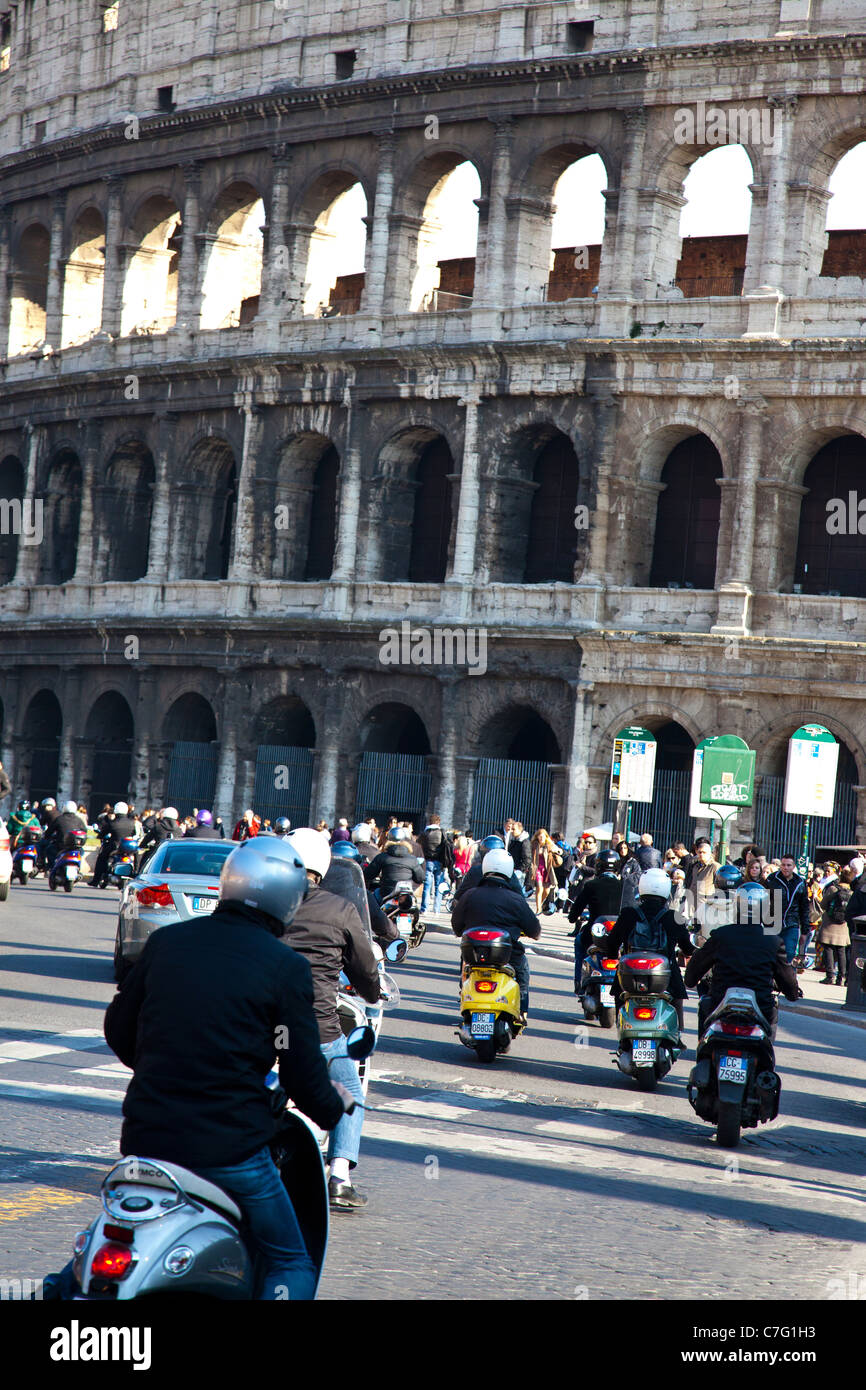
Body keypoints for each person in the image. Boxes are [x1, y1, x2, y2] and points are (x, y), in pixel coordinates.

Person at [98, 834, 350, 1300]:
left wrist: (162, 1065)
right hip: (228, 1147)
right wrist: (336, 1111)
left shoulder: (168, 942)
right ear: (288, 898)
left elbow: (118, 1028)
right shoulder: (284, 967)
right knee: (290, 1257)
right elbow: (298, 1065)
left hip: (145, 1139)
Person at [283, 828, 381, 1211]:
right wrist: (373, 993)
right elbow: (364, 967)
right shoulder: (341, 909)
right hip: (318, 1027)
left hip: (267, 1027)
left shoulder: (267, 903)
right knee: (350, 1094)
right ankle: (339, 1176)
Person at [685, 874, 801, 1040]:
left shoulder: (721, 935)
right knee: (773, 1011)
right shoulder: (773, 942)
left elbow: (695, 967)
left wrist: (690, 980)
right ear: (764, 909)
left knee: (705, 1004)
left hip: (721, 1002)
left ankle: (703, 1046)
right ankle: (766, 1051)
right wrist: (792, 992)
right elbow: (786, 977)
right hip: (759, 1005)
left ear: (737, 905)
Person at [605, 867, 695, 1035]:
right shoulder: (673, 918)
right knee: (676, 997)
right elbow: (688, 948)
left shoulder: (628, 914)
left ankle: (622, 1031)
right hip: (665, 977)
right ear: (666, 888)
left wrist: (613, 955)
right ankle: (677, 1034)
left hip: (631, 975)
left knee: (619, 993)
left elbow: (611, 943)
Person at [451, 848, 541, 1016]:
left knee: (465, 968)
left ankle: (465, 1000)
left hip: (474, 953)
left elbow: (456, 925)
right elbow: (535, 930)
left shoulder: (469, 895)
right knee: (522, 969)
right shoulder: (516, 899)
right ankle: (521, 1010)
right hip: (507, 954)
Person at [568, 848, 623, 994]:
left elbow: (576, 908)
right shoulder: (624, 886)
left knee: (579, 943)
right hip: (620, 934)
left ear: (598, 866)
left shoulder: (591, 885)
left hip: (595, 932)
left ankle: (579, 983)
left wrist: (573, 917)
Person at [765, 854, 810, 964]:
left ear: (794, 866)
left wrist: (805, 930)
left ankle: (788, 979)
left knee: (789, 954)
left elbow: (804, 907)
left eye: (788, 865)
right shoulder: (772, 879)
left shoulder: (800, 882)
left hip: (791, 924)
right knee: (770, 954)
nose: (785, 868)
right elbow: (764, 902)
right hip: (772, 923)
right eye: (783, 865)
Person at [453, 834, 524, 901]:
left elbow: (459, 895)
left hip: (478, 910)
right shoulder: (509, 872)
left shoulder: (476, 871)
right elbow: (521, 899)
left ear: (482, 853)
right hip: (503, 912)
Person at [363, 825, 424, 901]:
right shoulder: (412, 859)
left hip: (386, 892)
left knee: (374, 895)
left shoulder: (382, 857)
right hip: (406, 895)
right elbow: (420, 878)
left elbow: (369, 874)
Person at [818, 865, 852, 986]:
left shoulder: (833, 889)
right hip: (843, 925)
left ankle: (829, 976)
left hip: (829, 923)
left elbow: (823, 904)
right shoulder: (852, 892)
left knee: (828, 949)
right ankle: (841, 977)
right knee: (841, 951)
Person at [418, 813, 454, 913]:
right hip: (440, 862)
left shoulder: (424, 833)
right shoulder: (442, 833)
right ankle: (436, 909)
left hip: (428, 861)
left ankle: (424, 908)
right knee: (439, 887)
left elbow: (418, 844)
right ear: (438, 822)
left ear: (430, 822)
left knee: (427, 886)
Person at [42, 799, 88, 868]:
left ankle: (52, 867)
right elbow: (84, 831)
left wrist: (47, 836)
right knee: (81, 852)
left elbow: (49, 831)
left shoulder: (59, 819)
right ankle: (78, 867)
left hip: (61, 845)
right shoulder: (78, 820)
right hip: (75, 846)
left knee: (49, 850)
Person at [529, 828, 561, 915]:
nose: (541, 838)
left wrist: (556, 851)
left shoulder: (549, 844)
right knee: (539, 888)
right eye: (540, 836)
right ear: (537, 837)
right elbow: (529, 855)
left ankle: (541, 904)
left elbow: (560, 851)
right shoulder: (534, 845)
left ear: (546, 837)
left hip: (547, 870)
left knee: (546, 891)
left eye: (543, 836)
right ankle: (538, 908)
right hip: (537, 869)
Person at [508, 820, 533, 891]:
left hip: (519, 874)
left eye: (514, 829)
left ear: (520, 830)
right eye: (511, 829)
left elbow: (527, 859)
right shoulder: (513, 840)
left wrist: (519, 870)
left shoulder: (524, 842)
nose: (512, 831)